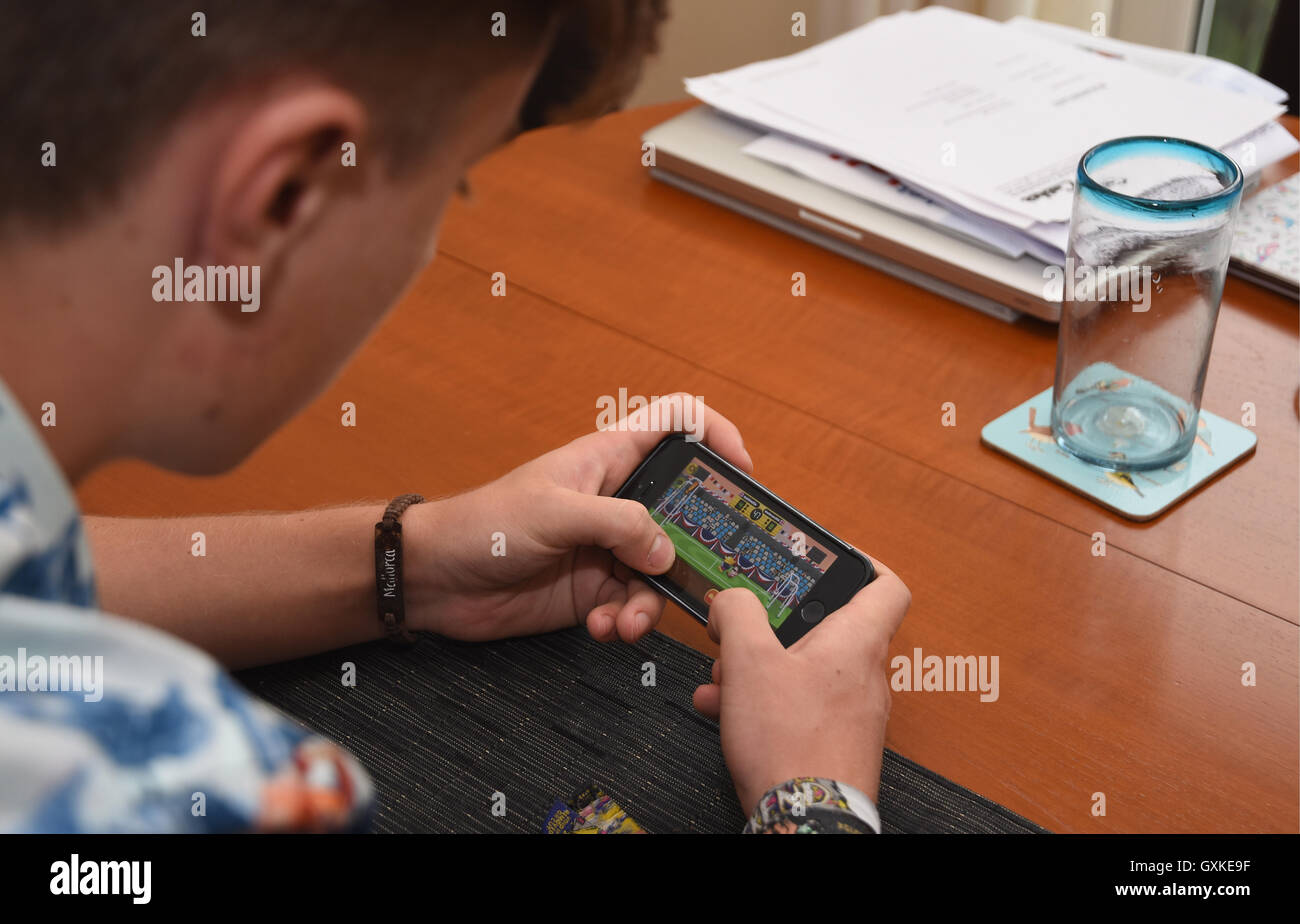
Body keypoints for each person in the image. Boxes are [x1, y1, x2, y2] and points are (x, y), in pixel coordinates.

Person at [0, 0, 910, 834]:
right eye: (454, 183)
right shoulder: (198, 794)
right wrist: (813, 798)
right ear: (281, 200)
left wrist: (414, 562)